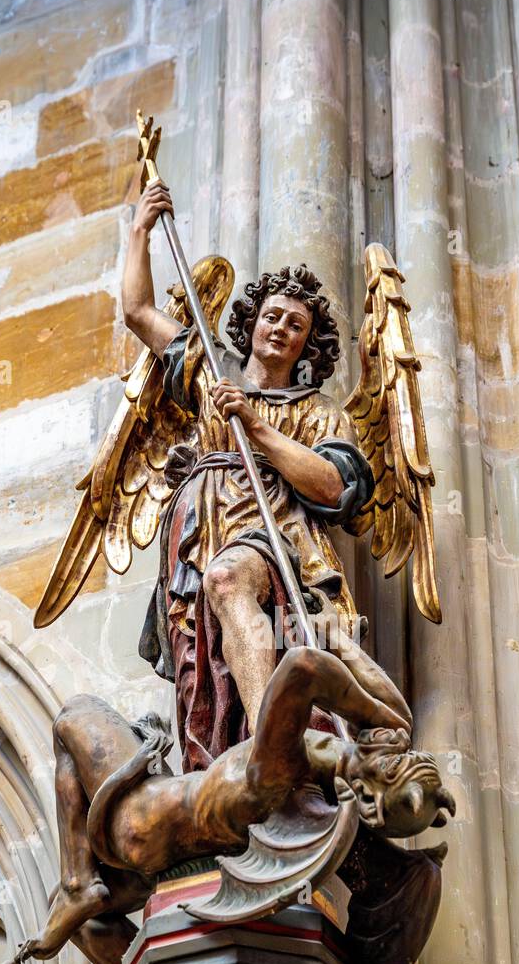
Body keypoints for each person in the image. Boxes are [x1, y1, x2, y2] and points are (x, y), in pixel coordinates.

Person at [15, 633, 454, 964]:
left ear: (369, 791)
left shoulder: (282, 774)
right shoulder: (316, 799)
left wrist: (370, 711)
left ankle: (78, 885)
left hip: (141, 819)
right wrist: (336, 636)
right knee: (92, 926)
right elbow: (343, 656)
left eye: (393, 760)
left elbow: (301, 666)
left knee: (75, 713)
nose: (389, 741)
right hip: (161, 858)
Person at [122, 177, 375, 770]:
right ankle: (224, 770)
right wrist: (140, 230)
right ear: (252, 323)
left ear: (308, 346)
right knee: (200, 669)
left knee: (231, 583)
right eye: (273, 316)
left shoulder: (316, 412)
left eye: (296, 325)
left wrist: (256, 429)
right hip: (194, 537)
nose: (281, 328)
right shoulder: (211, 370)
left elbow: (335, 488)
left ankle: (274, 748)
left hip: (273, 536)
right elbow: (136, 312)